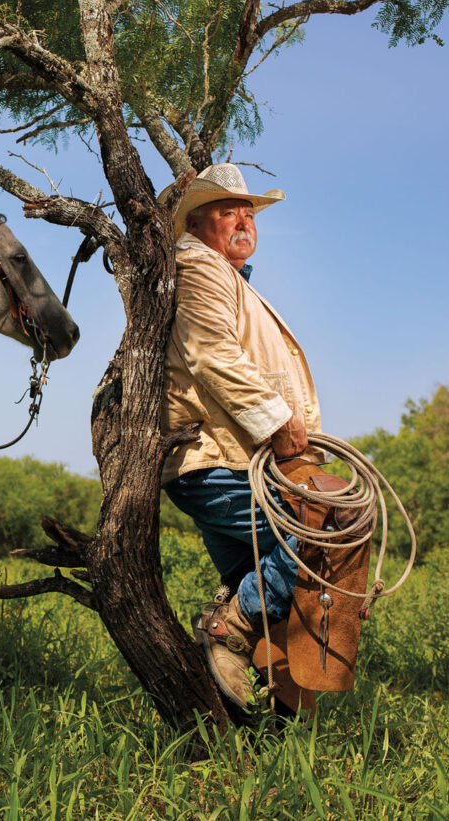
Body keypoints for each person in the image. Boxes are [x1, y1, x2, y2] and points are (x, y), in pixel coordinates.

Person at [157, 163, 321, 707]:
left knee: (279, 595)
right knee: (324, 533)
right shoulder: (199, 264)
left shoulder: (227, 277)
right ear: (196, 223)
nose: (244, 222)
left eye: (249, 213)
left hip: (231, 458)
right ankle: (231, 626)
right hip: (220, 458)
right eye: (228, 212)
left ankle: (265, 721)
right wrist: (279, 422)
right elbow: (212, 355)